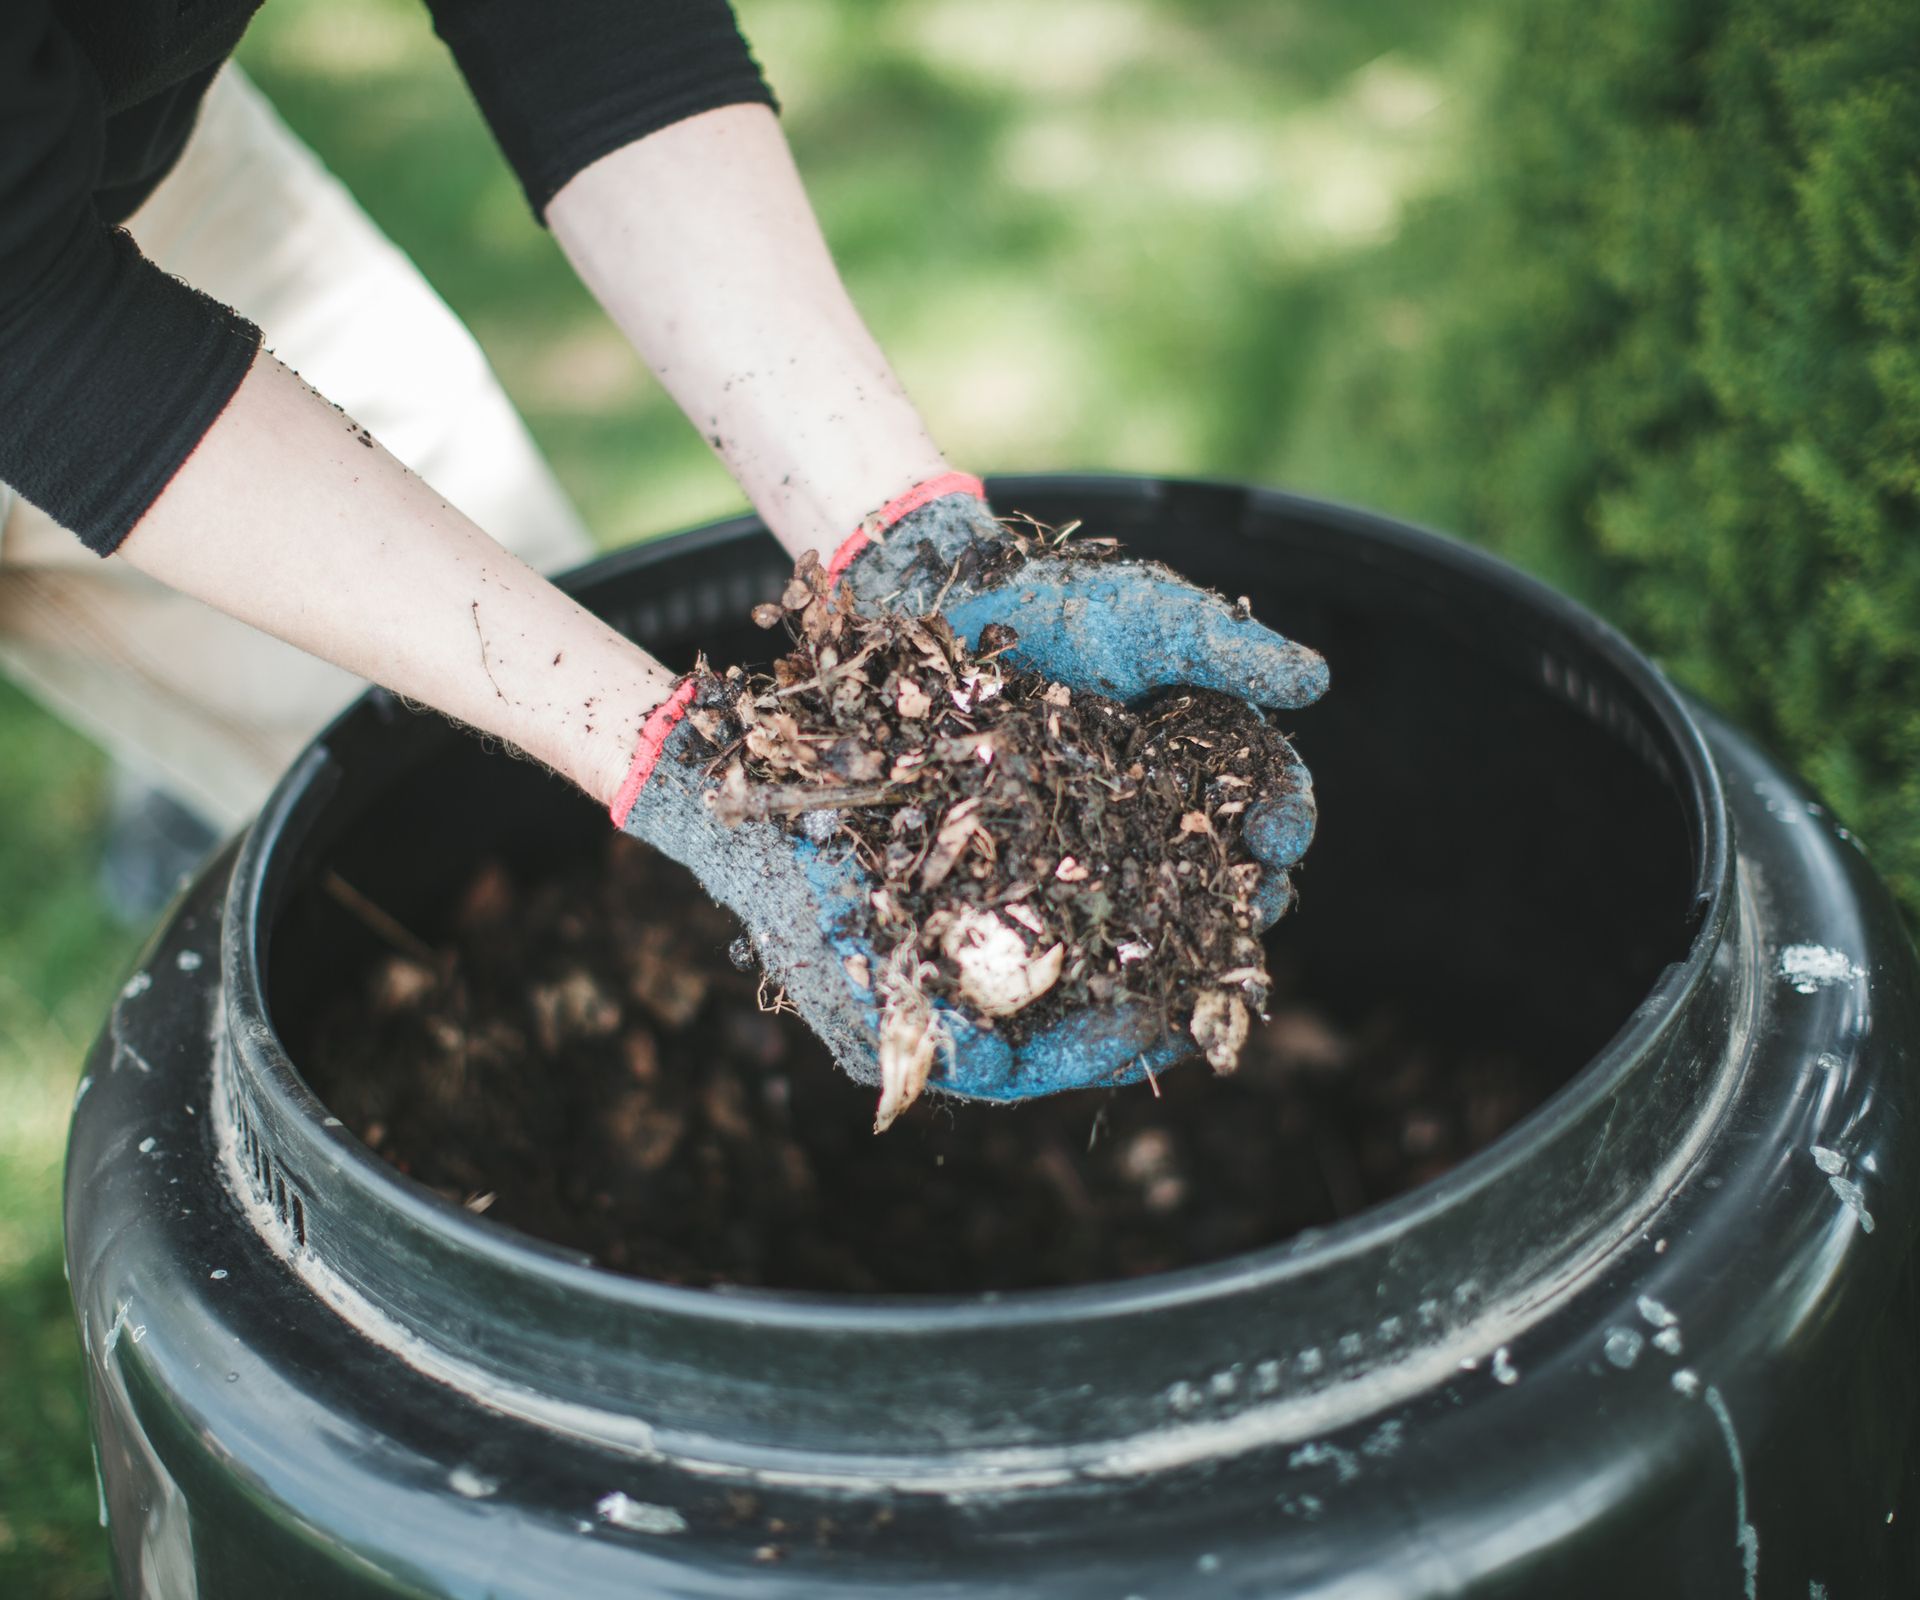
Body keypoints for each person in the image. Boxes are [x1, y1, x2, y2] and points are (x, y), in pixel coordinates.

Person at [1, 1, 1325, 1101]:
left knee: (501, 830)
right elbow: (31, 323)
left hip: (97, 165)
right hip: (27, 287)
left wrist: (902, 539)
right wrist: (682, 768)